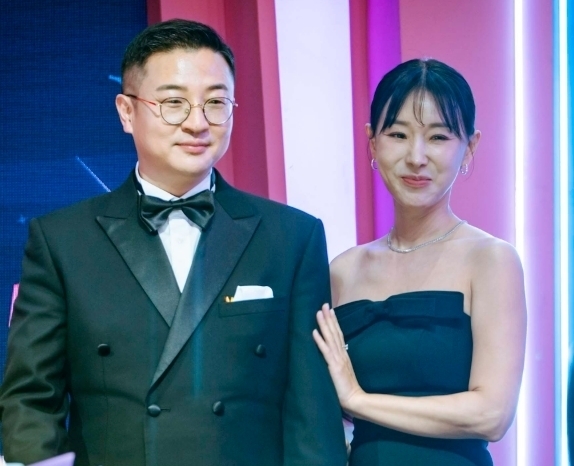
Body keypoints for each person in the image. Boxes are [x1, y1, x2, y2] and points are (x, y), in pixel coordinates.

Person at [0, 19, 347, 466]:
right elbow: (31, 401)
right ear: (127, 112)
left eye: (216, 102)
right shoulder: (62, 241)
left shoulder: (292, 237)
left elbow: (312, 416)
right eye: (173, 103)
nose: (197, 123)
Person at [313, 58, 526, 466]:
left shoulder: (491, 260)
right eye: (398, 134)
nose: (416, 156)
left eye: (438, 137)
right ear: (372, 142)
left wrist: (359, 399)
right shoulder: (343, 271)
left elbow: (492, 415)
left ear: (470, 147)